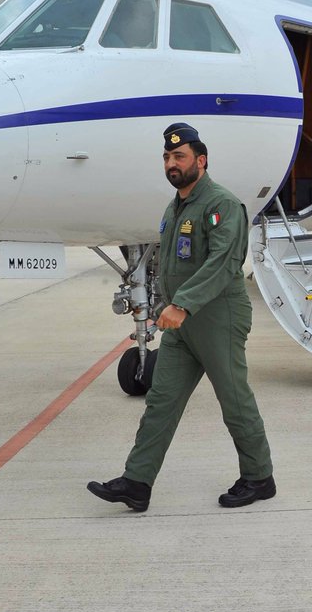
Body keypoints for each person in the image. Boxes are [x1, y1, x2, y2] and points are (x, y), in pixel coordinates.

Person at [88, 123, 275, 511]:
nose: (172, 164)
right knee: (161, 400)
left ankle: (259, 477)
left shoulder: (221, 204)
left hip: (216, 317)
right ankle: (137, 482)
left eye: (180, 157)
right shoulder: (174, 208)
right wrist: (167, 305)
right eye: (167, 158)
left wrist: (183, 303)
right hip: (181, 320)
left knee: (234, 400)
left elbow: (224, 263)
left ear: (201, 161)